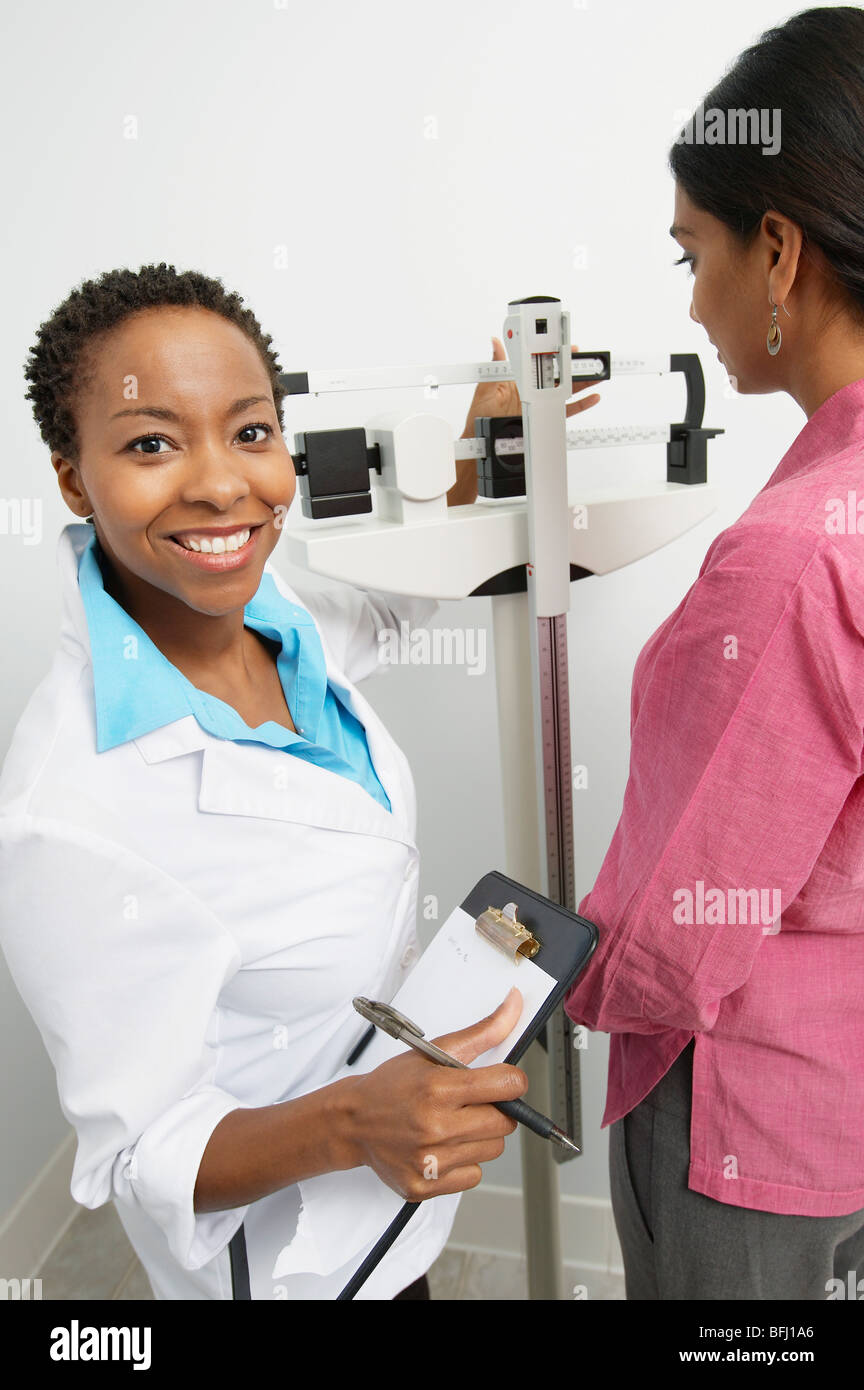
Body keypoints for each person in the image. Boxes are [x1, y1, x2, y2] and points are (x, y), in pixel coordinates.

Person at [0, 261, 600, 1300]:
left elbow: (388, 603)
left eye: (250, 431)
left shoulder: (269, 610)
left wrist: (481, 445)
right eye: (150, 443)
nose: (223, 485)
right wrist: (355, 1120)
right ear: (71, 475)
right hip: (292, 1266)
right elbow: (141, 1157)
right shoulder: (69, 814)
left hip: (397, 1188)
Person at [564, 5, 864, 1300]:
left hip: (762, 1137)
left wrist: (508, 996)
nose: (693, 301)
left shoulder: (791, 558)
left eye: (696, 254)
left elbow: (679, 932)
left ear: (780, 251)